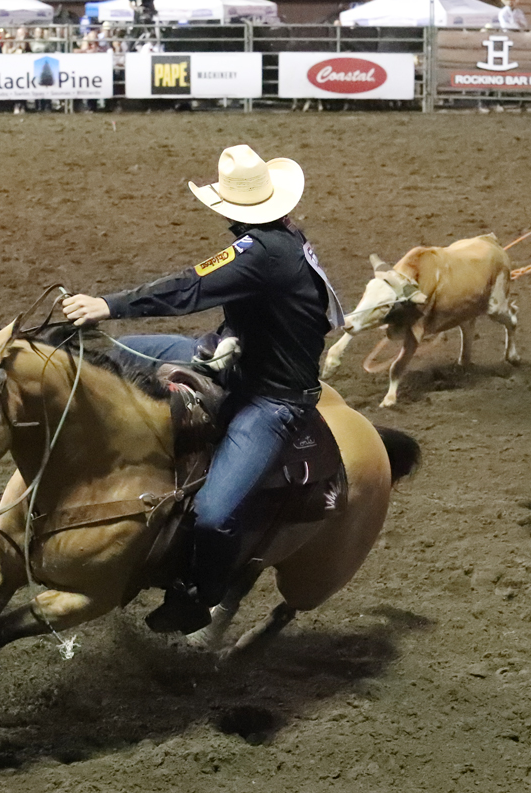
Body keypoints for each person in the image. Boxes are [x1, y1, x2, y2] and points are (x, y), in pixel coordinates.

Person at [62, 145, 345, 634]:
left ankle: (200, 593)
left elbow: (190, 287)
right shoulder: (283, 242)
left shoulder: (262, 252)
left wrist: (108, 305)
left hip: (273, 399)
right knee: (123, 353)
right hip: (238, 361)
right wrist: (231, 336)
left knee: (215, 514)